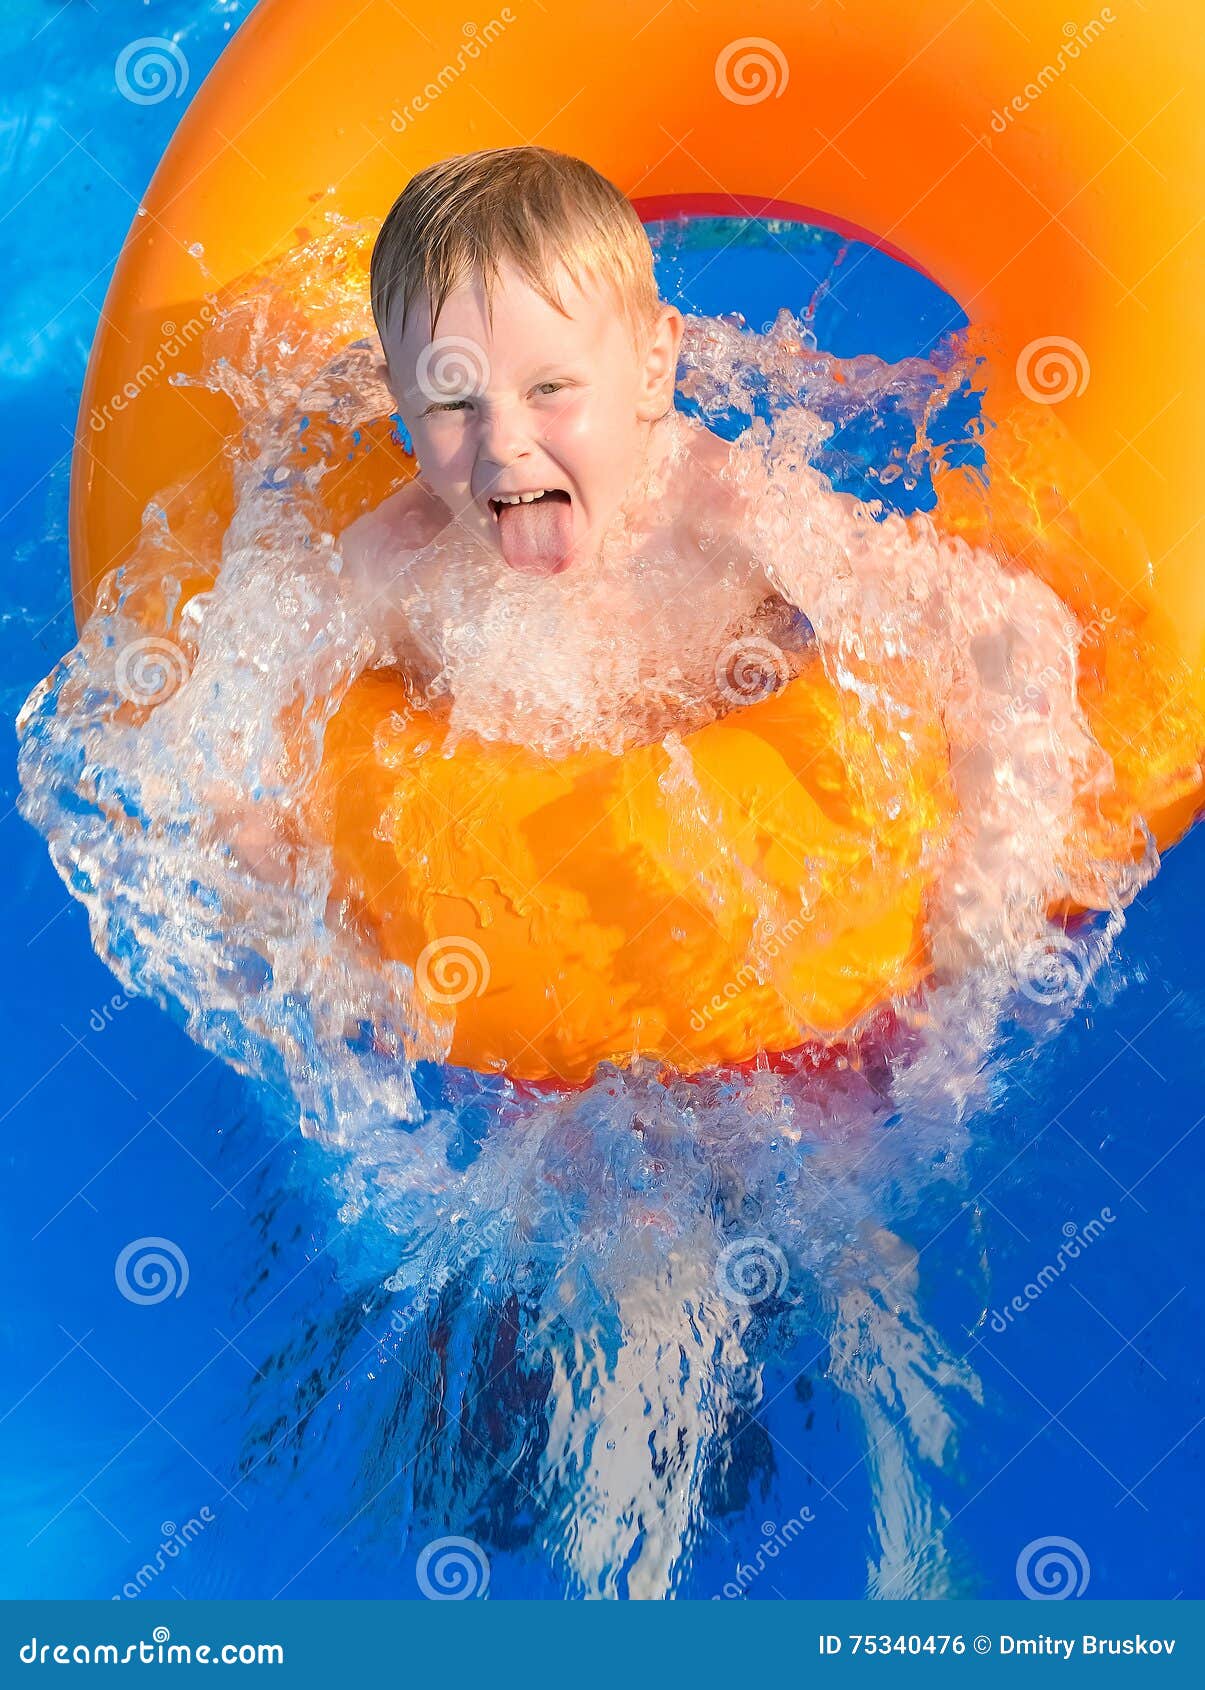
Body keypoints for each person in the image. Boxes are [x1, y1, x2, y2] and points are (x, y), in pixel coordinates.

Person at [339, 145, 812, 754]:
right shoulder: (396, 562)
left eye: (549, 389)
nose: (504, 445)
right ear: (401, 405)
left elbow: (943, 609)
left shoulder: (732, 518)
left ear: (650, 368)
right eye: (452, 405)